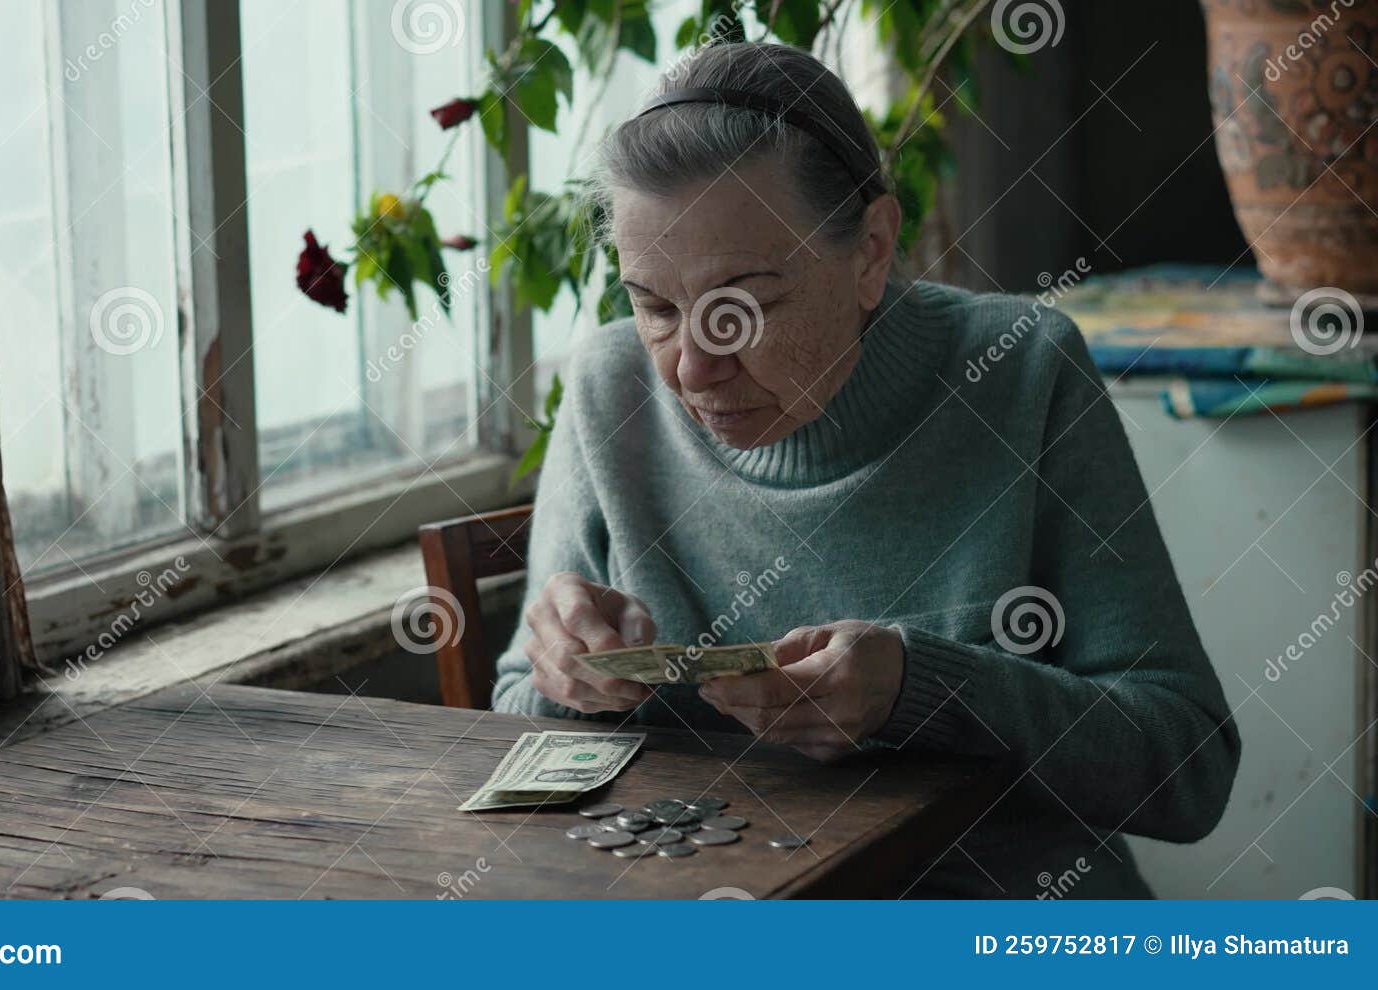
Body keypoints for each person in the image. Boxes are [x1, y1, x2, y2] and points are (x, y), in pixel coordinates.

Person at [491, 41, 1240, 898]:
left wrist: (928, 691)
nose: (691, 368)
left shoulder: (1021, 372)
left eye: (744, 307)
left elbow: (1187, 769)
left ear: (873, 250)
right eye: (655, 306)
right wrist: (565, 682)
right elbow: (517, 732)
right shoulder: (611, 385)